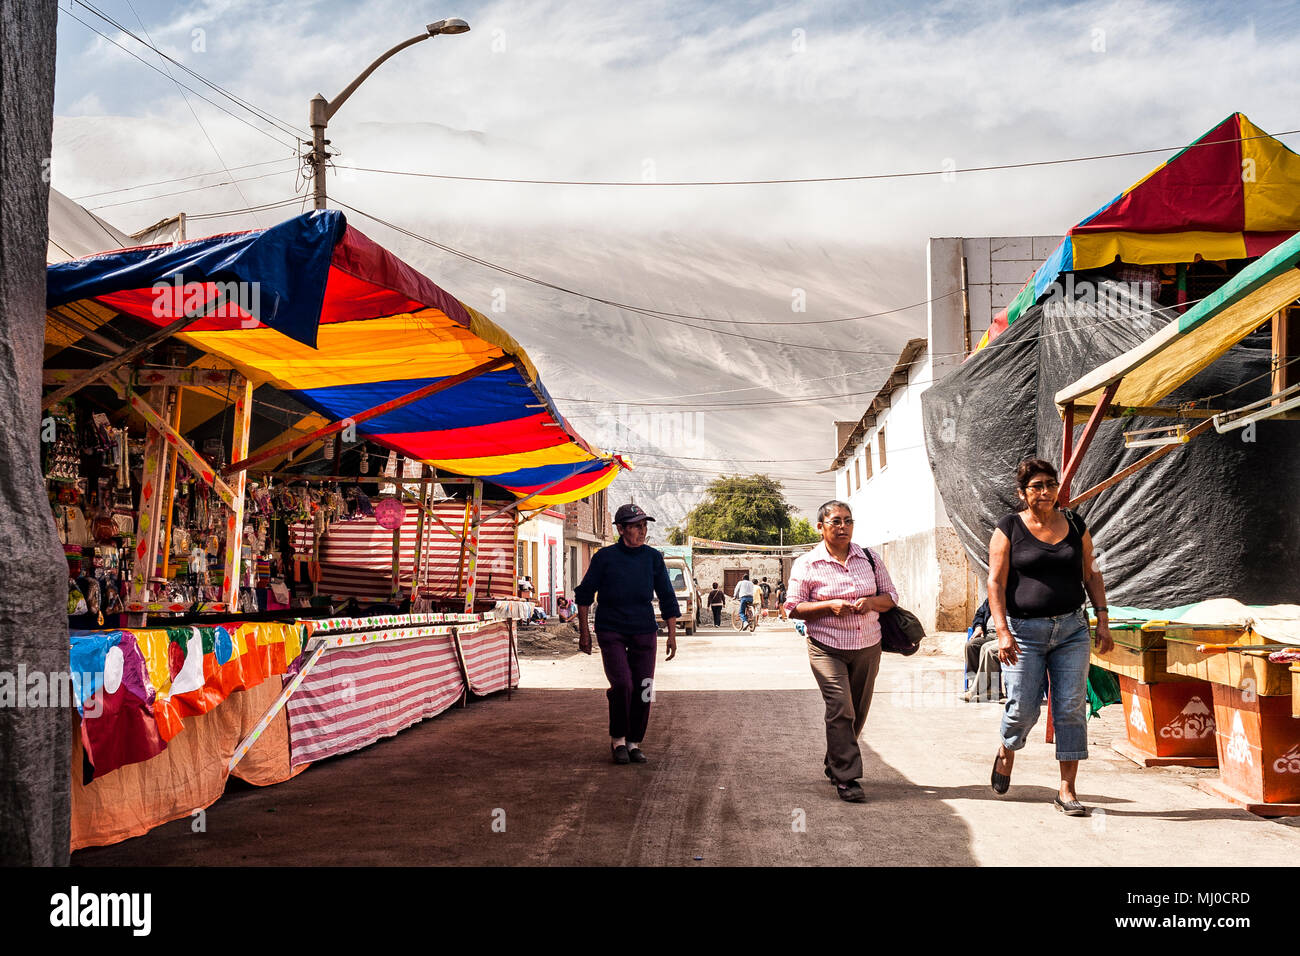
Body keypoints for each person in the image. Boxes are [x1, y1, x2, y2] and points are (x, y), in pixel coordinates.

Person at [988, 458, 1113, 816]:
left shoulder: (1074, 522)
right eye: (1036, 486)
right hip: (1024, 633)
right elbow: (995, 582)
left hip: (1072, 630)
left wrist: (1102, 619)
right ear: (1023, 493)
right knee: (1022, 708)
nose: (1045, 492)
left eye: (1050, 485)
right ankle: (1007, 749)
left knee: (1070, 708)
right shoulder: (1009, 527)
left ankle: (1066, 790)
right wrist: (1002, 631)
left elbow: (1091, 572)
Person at [785, 501, 897, 803]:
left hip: (868, 647)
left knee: (858, 711)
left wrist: (871, 603)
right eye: (835, 521)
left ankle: (835, 761)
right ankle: (847, 778)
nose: (843, 526)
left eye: (848, 521)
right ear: (820, 527)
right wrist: (828, 606)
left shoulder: (869, 558)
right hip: (826, 648)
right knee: (840, 708)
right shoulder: (807, 564)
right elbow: (794, 607)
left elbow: (891, 597)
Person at [574, 503, 680, 764]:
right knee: (623, 685)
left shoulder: (653, 557)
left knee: (645, 688)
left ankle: (634, 742)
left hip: (644, 630)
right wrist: (584, 632)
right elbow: (584, 594)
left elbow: (667, 595)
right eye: (636, 526)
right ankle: (618, 740)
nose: (642, 531)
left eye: (644, 526)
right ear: (621, 529)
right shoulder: (604, 557)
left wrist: (672, 634)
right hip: (612, 629)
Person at [960, 599, 1003, 702]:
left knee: (988, 649)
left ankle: (986, 689)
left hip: (1002, 635)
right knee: (971, 646)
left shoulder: (1012, 597)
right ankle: (976, 684)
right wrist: (979, 627)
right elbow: (979, 614)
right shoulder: (991, 598)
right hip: (989, 634)